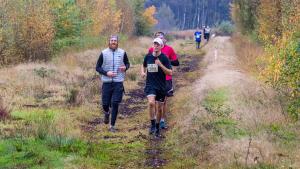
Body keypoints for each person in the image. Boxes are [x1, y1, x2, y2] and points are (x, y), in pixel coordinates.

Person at [96, 35, 130, 132]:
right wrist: (107, 73)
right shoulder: (103, 53)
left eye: (115, 40)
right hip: (106, 82)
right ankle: (107, 113)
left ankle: (112, 126)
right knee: (105, 104)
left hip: (118, 82)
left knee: (115, 103)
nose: (113, 42)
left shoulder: (123, 52)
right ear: (109, 41)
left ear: (117, 42)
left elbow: (128, 63)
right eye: (112, 40)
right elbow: (97, 67)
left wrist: (125, 68)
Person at [148, 32, 179, 129]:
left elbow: (177, 62)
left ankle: (162, 121)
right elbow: (149, 63)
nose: (159, 40)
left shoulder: (169, 49)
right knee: (153, 101)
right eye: (157, 38)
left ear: (164, 40)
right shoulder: (151, 50)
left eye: (161, 38)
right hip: (155, 79)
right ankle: (155, 120)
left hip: (166, 79)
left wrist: (165, 61)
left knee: (163, 102)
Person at [141, 38, 172, 137]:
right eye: (154, 44)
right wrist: (142, 72)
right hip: (150, 85)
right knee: (151, 103)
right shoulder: (148, 56)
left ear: (161, 46)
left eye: (158, 44)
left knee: (159, 109)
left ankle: (158, 127)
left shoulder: (164, 58)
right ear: (152, 45)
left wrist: (160, 65)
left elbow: (170, 72)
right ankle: (153, 125)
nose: (156, 46)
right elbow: (143, 65)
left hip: (161, 86)